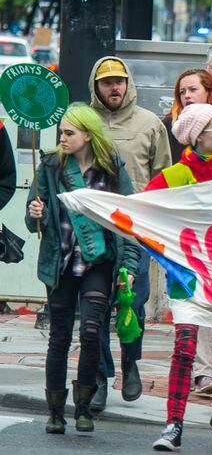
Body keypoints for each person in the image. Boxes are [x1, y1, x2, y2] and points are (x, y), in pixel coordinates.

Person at [146, 104, 212, 451]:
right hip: (187, 277)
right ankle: (173, 424)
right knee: (184, 347)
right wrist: (166, 253)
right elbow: (141, 214)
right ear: (197, 136)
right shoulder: (173, 177)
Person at [26, 104, 139, 435]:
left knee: (91, 332)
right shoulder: (50, 166)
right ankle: (55, 413)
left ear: (88, 136)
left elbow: (129, 220)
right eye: (61, 132)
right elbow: (34, 220)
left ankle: (84, 409)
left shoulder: (111, 168)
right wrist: (35, 212)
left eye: (69, 133)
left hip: (98, 264)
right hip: (60, 264)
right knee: (59, 337)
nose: (62, 138)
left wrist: (129, 266)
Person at [89, 56, 170, 408]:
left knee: (132, 304)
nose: (114, 87)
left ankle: (130, 362)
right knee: (95, 307)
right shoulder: (85, 122)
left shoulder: (150, 123)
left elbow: (163, 177)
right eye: (107, 82)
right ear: (96, 86)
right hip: (93, 230)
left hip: (135, 231)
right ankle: (99, 377)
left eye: (119, 81)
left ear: (128, 84)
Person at [162, 69, 212, 163]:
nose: (186, 95)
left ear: (208, 92)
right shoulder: (168, 125)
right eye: (182, 92)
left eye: (193, 90)